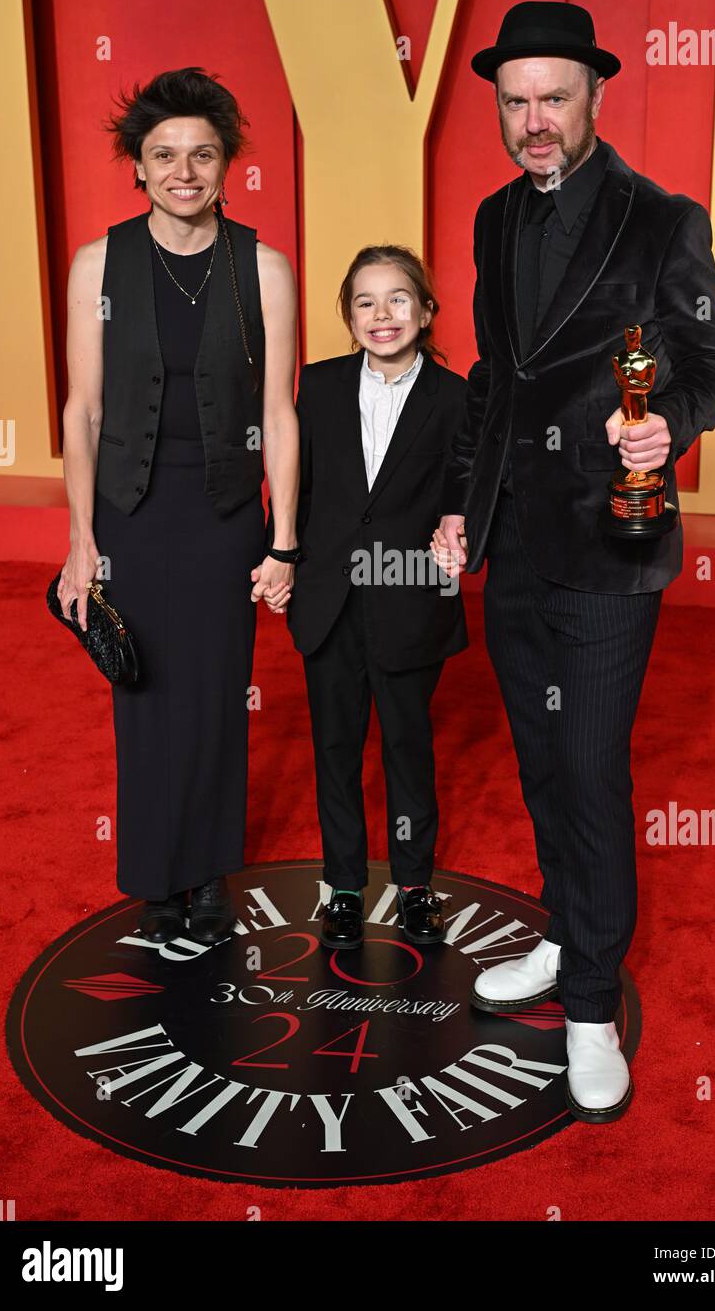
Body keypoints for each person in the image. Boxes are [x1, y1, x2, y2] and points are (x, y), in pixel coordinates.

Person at [431, 3, 715, 1122]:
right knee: (538, 756)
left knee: (593, 768)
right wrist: (464, 508)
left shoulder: (660, 220)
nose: (532, 121)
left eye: (551, 96)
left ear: (594, 96)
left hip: (611, 542)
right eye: (513, 101)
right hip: (515, 537)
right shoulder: (488, 218)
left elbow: (710, 357)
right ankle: (562, 935)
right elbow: (489, 379)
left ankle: (591, 1003)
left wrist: (671, 426)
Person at [59, 67, 298, 945]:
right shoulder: (100, 262)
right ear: (138, 166)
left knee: (215, 693)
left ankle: (206, 873)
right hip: (129, 511)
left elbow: (279, 413)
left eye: (202, 154)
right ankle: (157, 871)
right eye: (164, 155)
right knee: (144, 690)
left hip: (224, 513)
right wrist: (81, 540)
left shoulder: (263, 268)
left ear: (226, 163)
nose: (183, 171)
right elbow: (81, 411)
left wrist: (285, 540)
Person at [257, 247, 468, 948]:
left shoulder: (457, 397)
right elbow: (298, 484)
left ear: (427, 311)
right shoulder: (316, 388)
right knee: (336, 747)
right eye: (366, 302)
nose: (383, 315)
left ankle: (414, 885)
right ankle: (343, 885)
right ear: (349, 315)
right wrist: (280, 554)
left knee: (408, 747)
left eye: (399, 299)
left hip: (410, 598)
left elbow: (466, 490)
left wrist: (457, 529)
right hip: (331, 599)